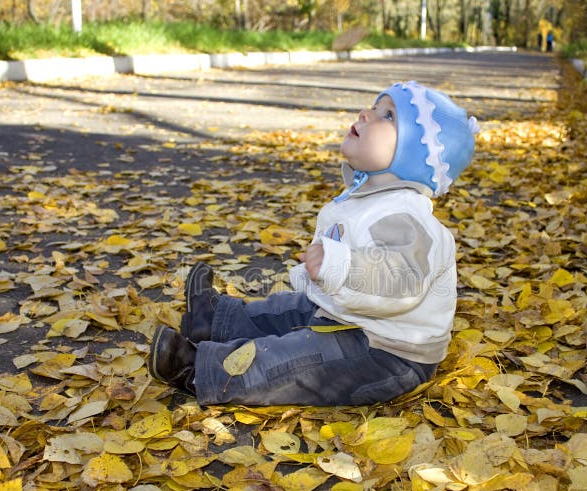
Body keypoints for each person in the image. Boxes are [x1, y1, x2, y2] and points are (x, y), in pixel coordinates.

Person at [149, 81, 478, 406]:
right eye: (374, 107)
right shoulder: (369, 198)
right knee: (287, 309)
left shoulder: (405, 216)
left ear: (415, 155)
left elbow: (402, 280)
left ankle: (201, 370)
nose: (365, 114)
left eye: (388, 116)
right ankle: (214, 320)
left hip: (388, 352)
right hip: (351, 316)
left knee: (295, 360)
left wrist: (338, 266)